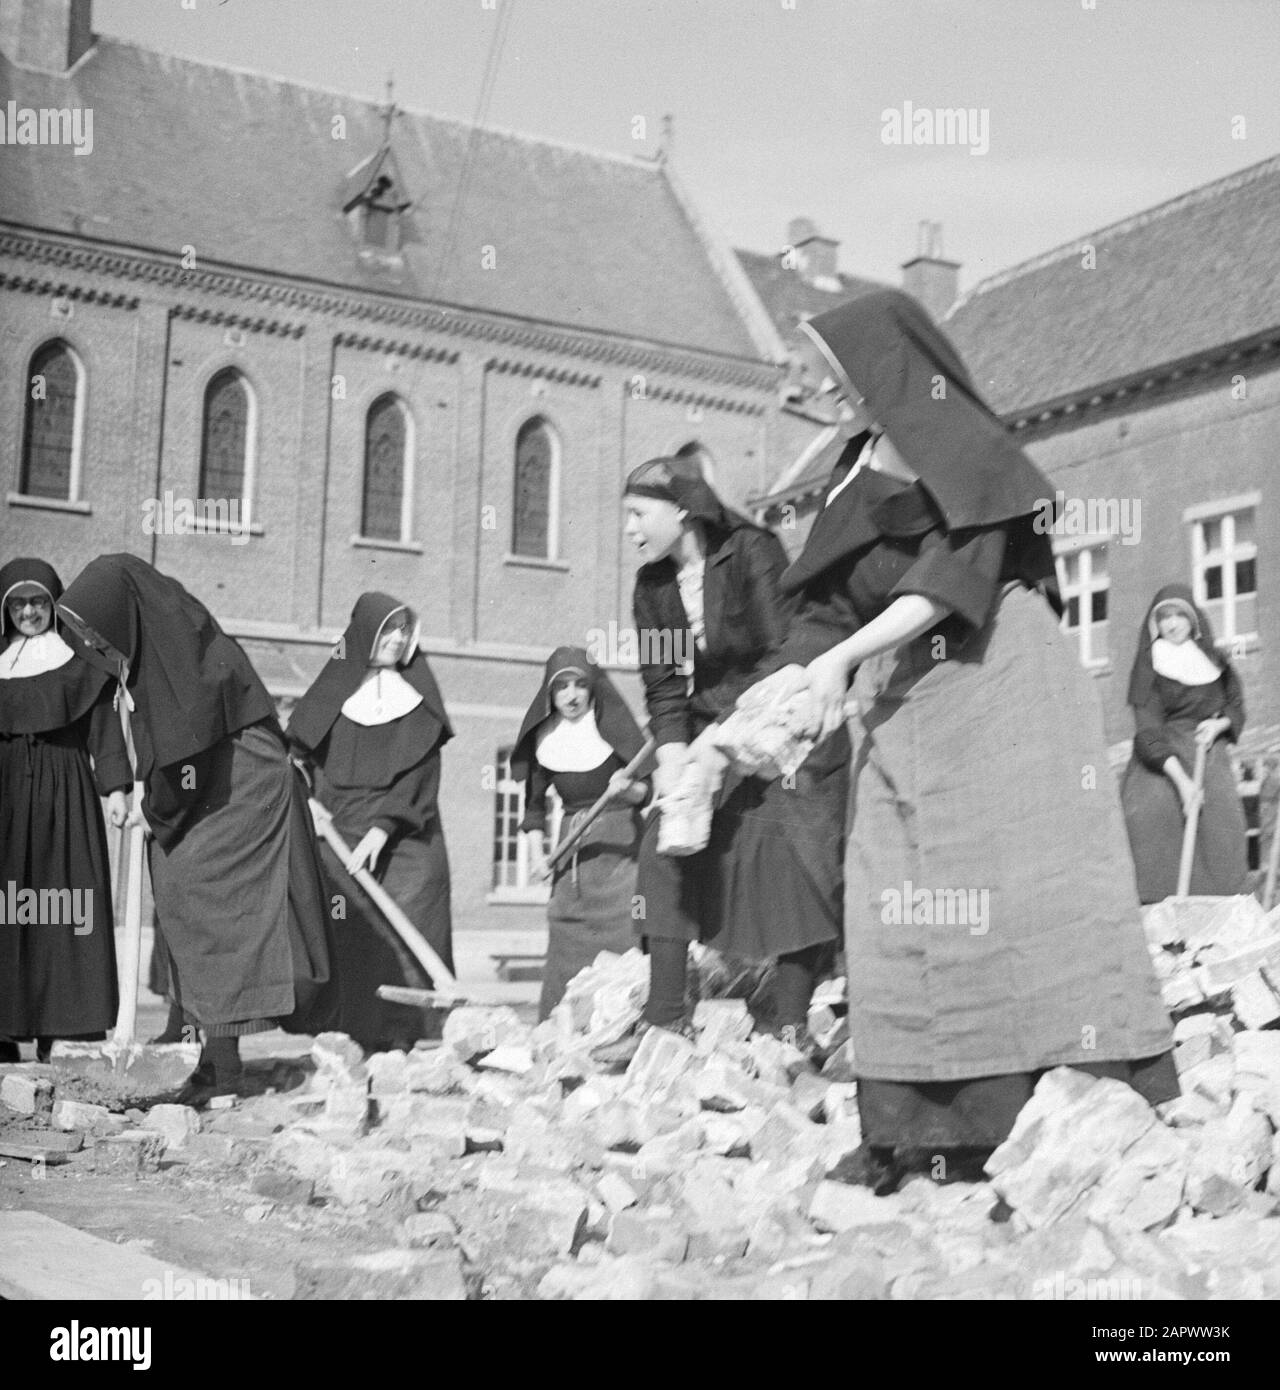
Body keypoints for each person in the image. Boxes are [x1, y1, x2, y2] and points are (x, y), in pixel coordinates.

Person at [741, 289, 1176, 1189]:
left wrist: (843, 663)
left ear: (881, 365)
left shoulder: (965, 446)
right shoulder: (856, 468)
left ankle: (1071, 1103)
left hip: (1003, 690)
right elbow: (822, 607)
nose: (818, 385)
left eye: (829, 367)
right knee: (896, 897)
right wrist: (774, 692)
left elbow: (954, 579)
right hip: (909, 703)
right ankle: (922, 1128)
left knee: (1023, 898)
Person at [593, 457, 848, 1066]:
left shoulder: (750, 552)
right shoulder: (652, 587)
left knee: (792, 857)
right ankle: (666, 1019)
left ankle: (789, 1027)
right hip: (708, 726)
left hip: (781, 716)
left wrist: (728, 746)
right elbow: (663, 687)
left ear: (681, 509)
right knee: (665, 845)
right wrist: (678, 763)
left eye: (637, 514)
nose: (629, 529)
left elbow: (782, 652)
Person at [56, 554, 335, 1103]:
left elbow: (189, 761)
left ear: (124, 614)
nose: (93, 643)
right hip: (205, 794)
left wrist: (152, 809)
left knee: (212, 908)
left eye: (96, 630)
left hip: (242, 797)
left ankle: (221, 1068)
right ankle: (188, 1036)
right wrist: (137, 796)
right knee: (176, 889)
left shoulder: (189, 658)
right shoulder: (143, 656)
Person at [288, 592, 455, 1050]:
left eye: (405, 628)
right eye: (389, 628)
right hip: (337, 833)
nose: (399, 636)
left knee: (415, 923)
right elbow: (292, 758)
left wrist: (383, 829)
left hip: (407, 837)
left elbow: (421, 777)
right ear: (364, 634)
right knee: (349, 932)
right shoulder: (329, 696)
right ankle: (351, 1044)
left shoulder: (419, 703)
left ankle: (416, 1042)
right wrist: (307, 799)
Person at [0, 559, 131, 1063]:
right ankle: (6, 1031)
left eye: (37, 602)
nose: (28, 612)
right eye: (17, 603)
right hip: (7, 796)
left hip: (66, 793)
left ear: (53, 605)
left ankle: (67, 1028)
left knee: (64, 904)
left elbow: (103, 729)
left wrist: (116, 790)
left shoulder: (80, 661)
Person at [512, 646, 649, 1020]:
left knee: (623, 939)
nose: (571, 695)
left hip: (620, 852)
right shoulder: (544, 739)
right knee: (566, 935)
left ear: (592, 689)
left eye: (579, 685)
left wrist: (629, 789)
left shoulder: (614, 729)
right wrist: (539, 858)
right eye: (561, 687)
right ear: (550, 693)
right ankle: (561, 1027)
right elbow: (534, 809)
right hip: (570, 854)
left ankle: (621, 1030)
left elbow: (646, 792)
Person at [1121, 585, 1247, 901]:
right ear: (1155, 623)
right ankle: (1159, 918)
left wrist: (1219, 724)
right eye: (1164, 617)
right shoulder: (1149, 663)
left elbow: (1235, 704)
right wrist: (1183, 784)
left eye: (1179, 615)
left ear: (1193, 620)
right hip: (1162, 755)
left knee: (1223, 824)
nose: (1173, 623)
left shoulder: (1215, 660)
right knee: (1151, 814)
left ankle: (1217, 921)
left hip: (1209, 752)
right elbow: (1147, 730)